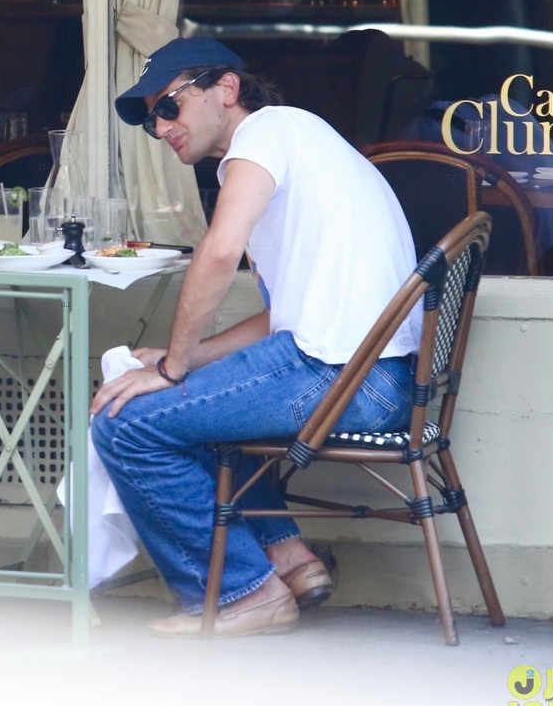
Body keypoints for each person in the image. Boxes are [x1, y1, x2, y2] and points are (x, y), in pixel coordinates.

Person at [90, 37, 421, 638]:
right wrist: (182, 358)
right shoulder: (297, 141)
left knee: (126, 426)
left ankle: (246, 593)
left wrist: (168, 373)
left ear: (227, 89)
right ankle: (290, 562)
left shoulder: (264, 135)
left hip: (344, 375)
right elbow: (279, 318)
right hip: (377, 376)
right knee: (206, 403)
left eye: (169, 106)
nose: (162, 128)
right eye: (151, 120)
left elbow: (217, 253)